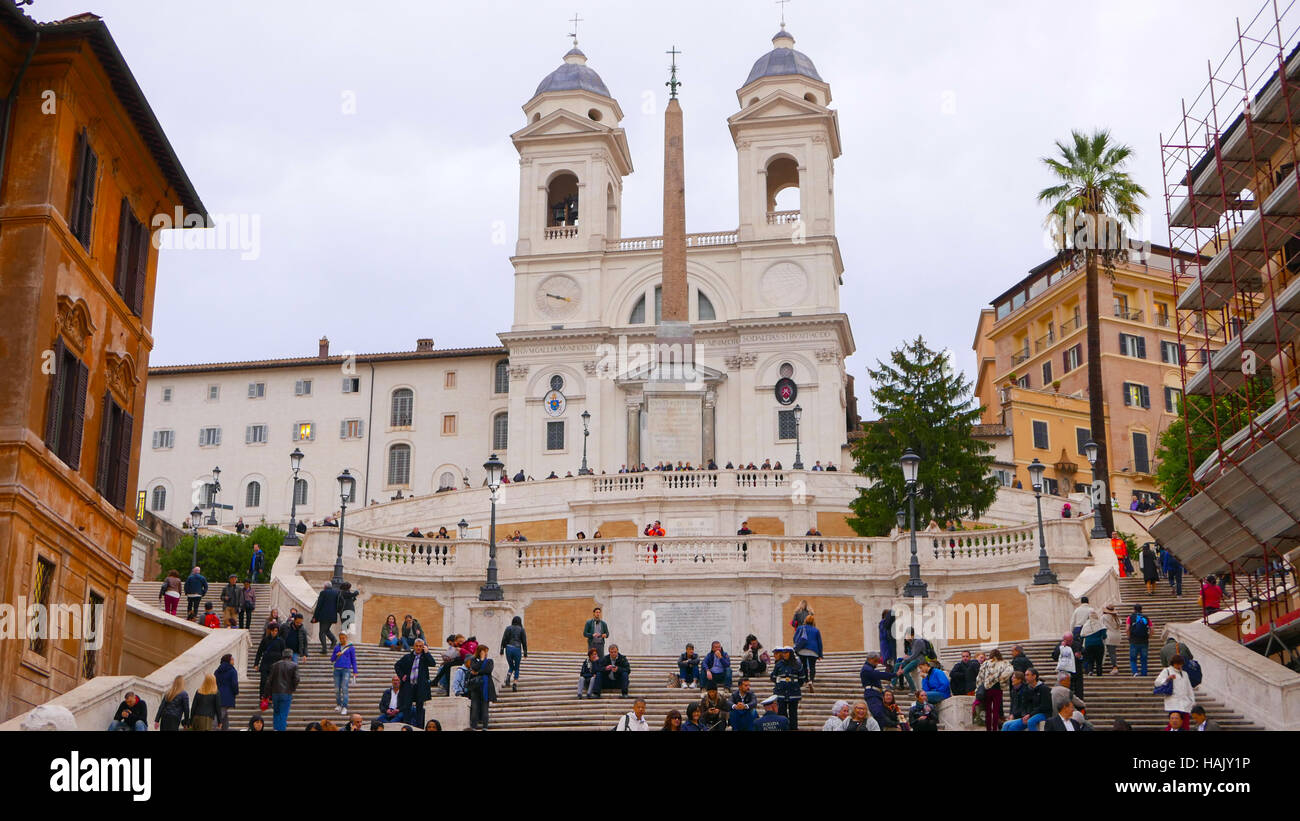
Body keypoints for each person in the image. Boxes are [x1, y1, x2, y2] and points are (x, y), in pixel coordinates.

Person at [395, 638, 437, 727]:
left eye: (420, 646)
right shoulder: (408, 657)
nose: (418, 648)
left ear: (423, 647)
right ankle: (406, 726)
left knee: (420, 708)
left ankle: (419, 727)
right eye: (417, 646)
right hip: (409, 685)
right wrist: (402, 676)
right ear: (414, 647)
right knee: (407, 707)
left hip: (420, 686)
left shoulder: (425, 657)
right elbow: (397, 665)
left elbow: (433, 663)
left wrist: (427, 652)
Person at [1154, 654, 1195, 730]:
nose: (1179, 666)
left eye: (1180, 664)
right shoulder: (1167, 671)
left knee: (1185, 725)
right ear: (1173, 663)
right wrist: (1167, 678)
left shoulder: (1185, 673)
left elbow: (1189, 688)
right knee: (1173, 724)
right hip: (1173, 703)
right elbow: (1157, 683)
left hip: (1185, 704)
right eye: (1177, 664)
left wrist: (1192, 700)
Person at [770, 646, 805, 730]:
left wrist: (794, 685)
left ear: (791, 654)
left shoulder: (797, 664)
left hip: (793, 693)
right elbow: (774, 677)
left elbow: (802, 679)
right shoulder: (779, 664)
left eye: (786, 653)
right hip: (781, 692)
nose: (784, 655)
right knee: (782, 712)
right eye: (783, 653)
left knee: (793, 713)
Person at [976, 649, 1012, 731]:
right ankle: (995, 728)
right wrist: (1001, 679)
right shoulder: (1004, 663)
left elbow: (979, 677)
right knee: (996, 711)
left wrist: (979, 688)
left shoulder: (986, 663)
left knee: (988, 710)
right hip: (998, 689)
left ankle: (988, 728)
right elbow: (1009, 672)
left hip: (987, 688)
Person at [268, 648, 299, 731]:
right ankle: (281, 729)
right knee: (283, 713)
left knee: (276, 713)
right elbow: (296, 679)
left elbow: (269, 681)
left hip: (275, 692)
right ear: (291, 656)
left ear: (283, 656)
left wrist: (266, 694)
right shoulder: (294, 665)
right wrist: (293, 688)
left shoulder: (275, 665)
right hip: (286, 692)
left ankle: (276, 729)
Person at [468, 644, 497, 730]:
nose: (486, 653)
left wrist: (478, 672)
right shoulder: (473, 660)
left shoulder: (489, 661)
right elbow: (474, 667)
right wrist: (481, 660)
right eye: (485, 651)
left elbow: (488, 670)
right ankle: (473, 726)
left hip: (486, 687)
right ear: (480, 651)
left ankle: (485, 726)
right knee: (475, 707)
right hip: (475, 687)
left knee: (485, 707)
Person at [254, 623, 285, 704]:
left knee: (274, 682)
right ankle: (262, 698)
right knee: (263, 681)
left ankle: (271, 699)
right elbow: (259, 652)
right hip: (265, 664)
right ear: (270, 631)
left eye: (276, 631)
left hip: (276, 665)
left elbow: (284, 653)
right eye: (273, 631)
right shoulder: (265, 640)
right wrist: (256, 664)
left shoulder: (281, 641)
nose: (275, 632)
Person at [331, 631, 358, 715]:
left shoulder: (350, 648)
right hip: (337, 669)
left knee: (344, 688)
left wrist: (355, 671)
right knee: (337, 689)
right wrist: (336, 655)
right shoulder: (336, 647)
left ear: (346, 638)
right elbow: (332, 659)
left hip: (346, 669)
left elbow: (353, 660)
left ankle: (344, 706)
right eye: (340, 638)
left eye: (343, 638)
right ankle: (338, 704)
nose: (342, 639)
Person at [793, 615, 823, 689]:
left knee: (804, 666)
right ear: (813, 621)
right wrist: (820, 654)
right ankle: (811, 681)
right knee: (812, 666)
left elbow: (795, 638)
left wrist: (796, 647)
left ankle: (806, 681)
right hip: (813, 651)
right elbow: (819, 643)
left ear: (805, 620)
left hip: (802, 650)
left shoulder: (800, 628)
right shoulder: (816, 630)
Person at [499, 615, 527, 691]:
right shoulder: (522, 629)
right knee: (517, 667)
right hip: (517, 649)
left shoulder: (508, 628)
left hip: (508, 648)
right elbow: (524, 642)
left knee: (511, 666)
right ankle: (514, 683)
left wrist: (501, 649)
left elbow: (504, 639)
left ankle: (508, 676)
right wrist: (525, 652)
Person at [312, 582, 340, 655]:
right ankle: (333, 640)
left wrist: (315, 616)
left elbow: (319, 605)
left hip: (324, 616)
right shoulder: (336, 593)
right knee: (326, 630)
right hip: (332, 616)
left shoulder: (323, 593)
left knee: (321, 632)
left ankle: (324, 649)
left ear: (325, 587)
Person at [214, 652, 239, 730]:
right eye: (232, 659)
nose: (233, 660)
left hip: (217, 694)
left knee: (224, 716)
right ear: (228, 660)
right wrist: (236, 692)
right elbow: (234, 684)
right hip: (227, 696)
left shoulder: (217, 671)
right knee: (220, 716)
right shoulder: (232, 671)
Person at [1053, 635, 1082, 701]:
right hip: (1064, 673)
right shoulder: (1059, 646)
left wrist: (1080, 656)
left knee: (1078, 691)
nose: (1070, 642)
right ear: (1064, 640)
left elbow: (1084, 654)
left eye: (1071, 640)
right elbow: (1054, 656)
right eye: (1068, 641)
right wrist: (1060, 648)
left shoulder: (1077, 644)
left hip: (1076, 672)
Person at [1127, 604, 1151, 677]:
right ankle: (1144, 673)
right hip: (1144, 641)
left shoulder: (1130, 617)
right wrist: (1148, 637)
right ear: (1141, 609)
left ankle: (1135, 672)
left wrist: (1129, 637)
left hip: (1134, 641)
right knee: (1144, 659)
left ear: (1134, 609)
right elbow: (1152, 630)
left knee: (1133, 659)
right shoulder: (1146, 618)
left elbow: (1127, 629)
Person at [1081, 611, 1107, 679]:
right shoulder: (1100, 624)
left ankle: (1090, 670)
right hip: (1098, 644)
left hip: (1088, 644)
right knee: (1099, 659)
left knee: (1090, 659)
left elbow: (1082, 635)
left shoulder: (1086, 624)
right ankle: (1099, 672)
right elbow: (1104, 636)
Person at [1100, 604, 1122, 675]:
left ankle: (1115, 667)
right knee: (1113, 651)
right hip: (1117, 636)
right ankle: (1114, 666)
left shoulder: (1104, 617)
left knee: (1111, 652)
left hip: (1109, 636)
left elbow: (1101, 626)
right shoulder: (1117, 618)